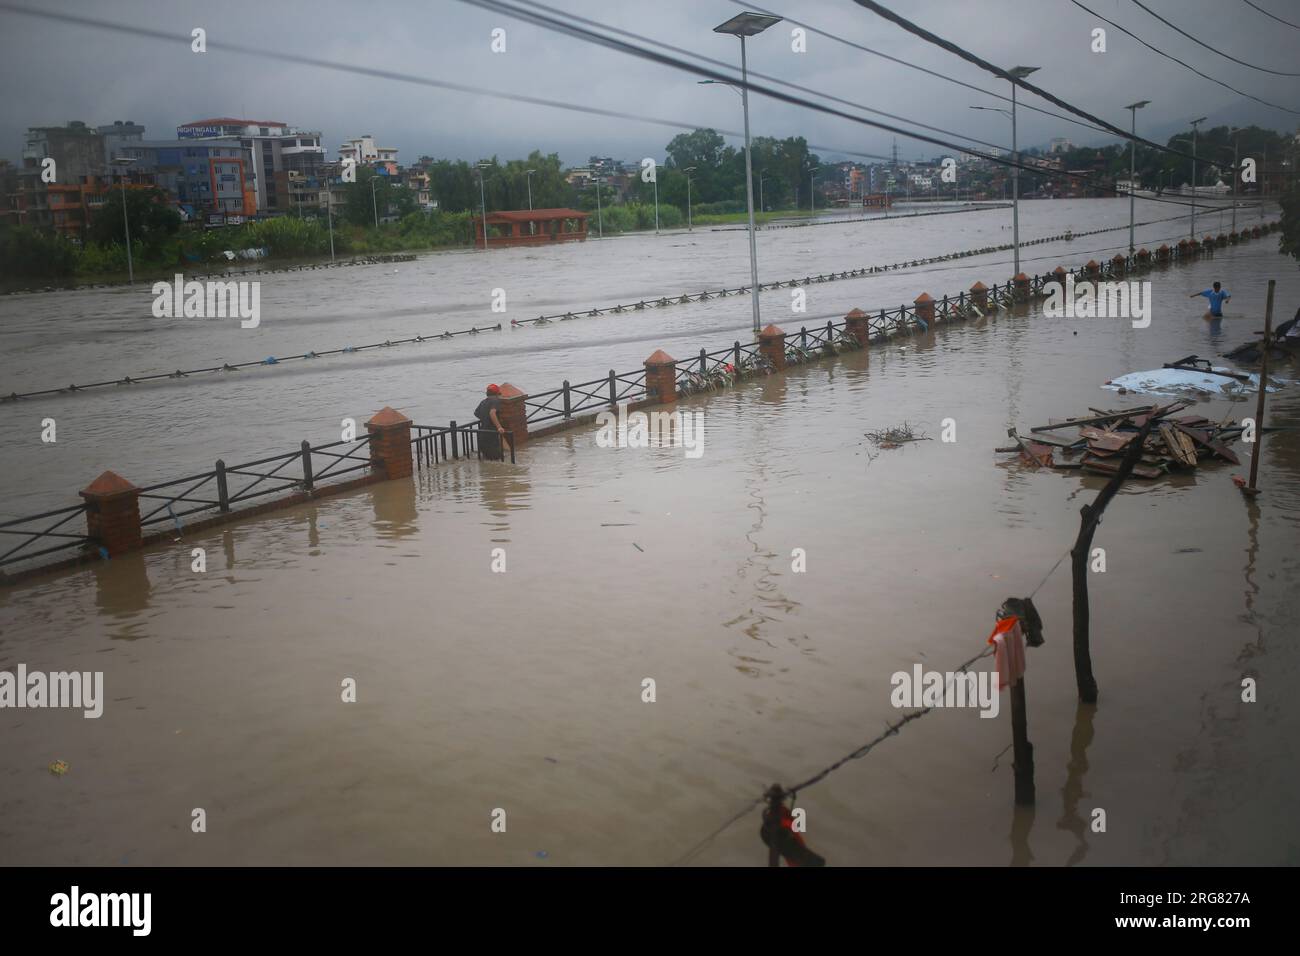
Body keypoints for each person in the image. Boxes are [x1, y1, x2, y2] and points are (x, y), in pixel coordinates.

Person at [474, 384, 509, 461]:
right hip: (491, 434)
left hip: (482, 433)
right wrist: (499, 427)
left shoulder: (483, 402)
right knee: (498, 459)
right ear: (497, 393)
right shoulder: (496, 401)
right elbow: (492, 413)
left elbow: (476, 413)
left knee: (487, 459)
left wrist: (485, 419)